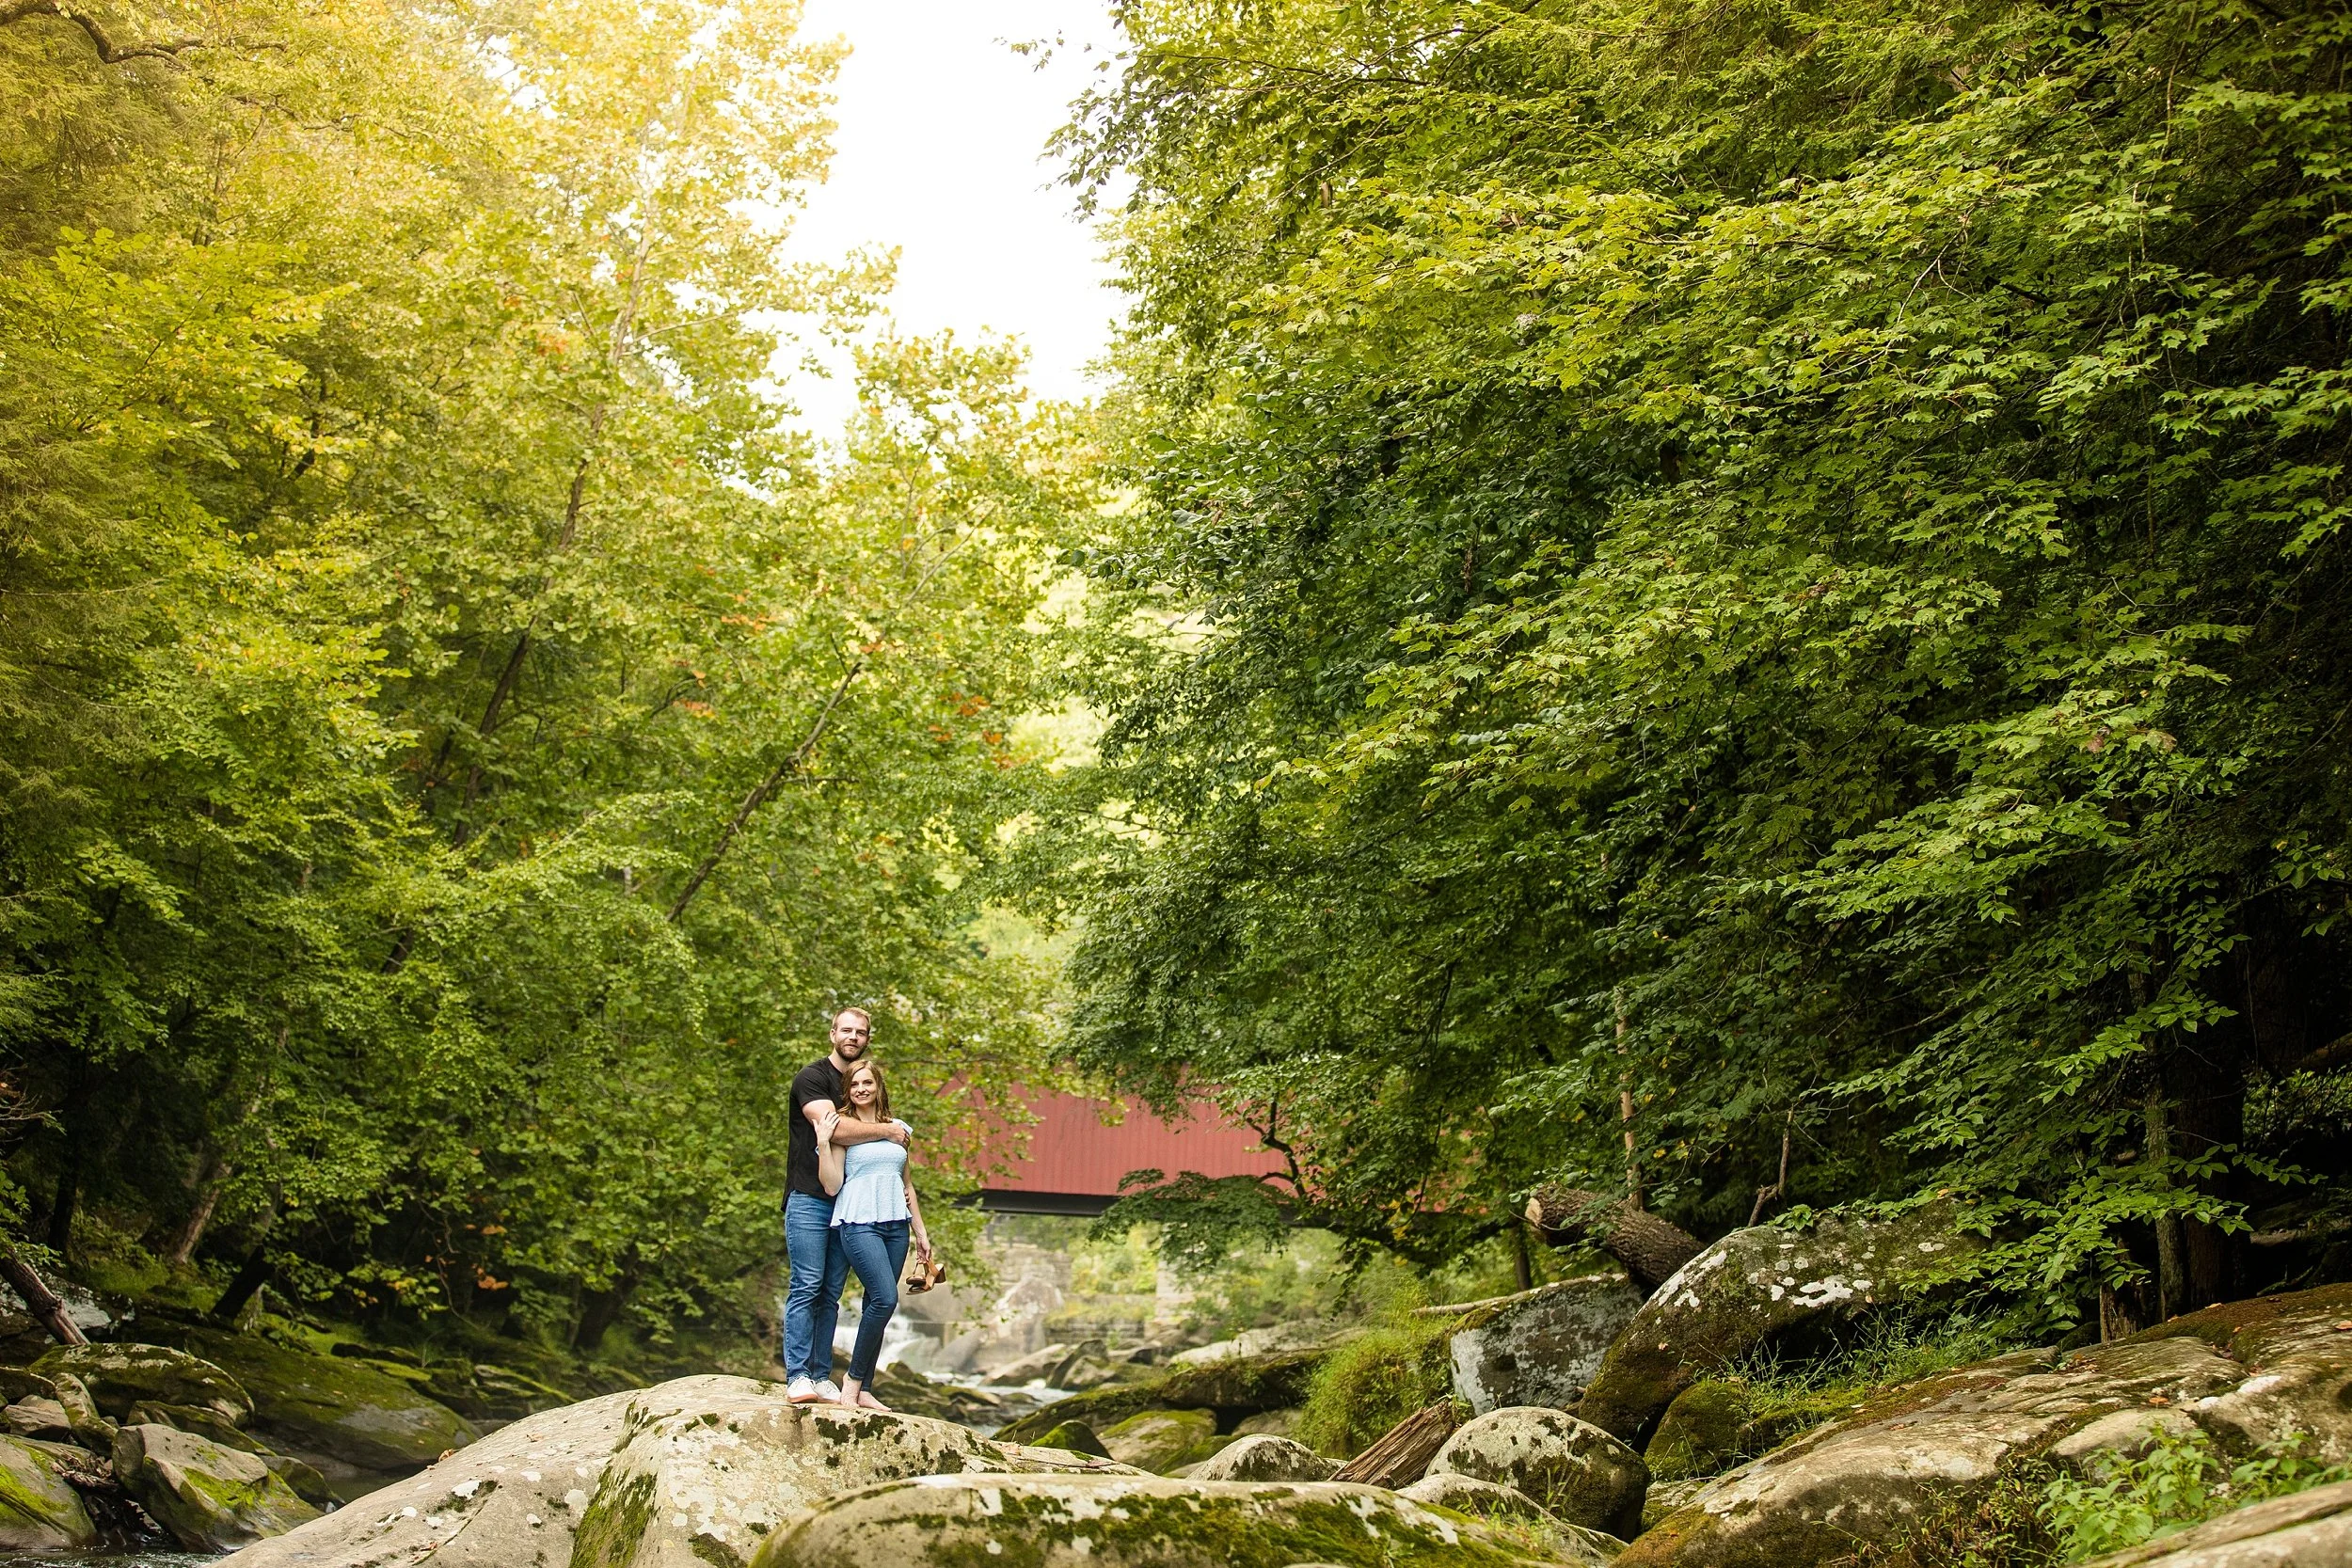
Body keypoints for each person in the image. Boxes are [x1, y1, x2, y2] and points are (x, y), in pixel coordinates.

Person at [782, 1006, 908, 1405]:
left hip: (850, 1206)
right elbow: (836, 1129)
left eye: (861, 1032)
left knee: (831, 1291)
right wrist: (888, 1130)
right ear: (832, 1033)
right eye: (847, 1030)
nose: (853, 1037)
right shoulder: (812, 1078)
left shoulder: (859, 1082)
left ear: (868, 1039)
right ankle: (798, 1376)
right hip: (810, 1198)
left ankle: (821, 1375)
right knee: (807, 1284)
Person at [816, 1058, 930, 1411]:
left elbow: (907, 1184)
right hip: (858, 1223)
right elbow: (831, 1185)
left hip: (896, 1226)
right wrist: (823, 1143)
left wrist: (921, 1232)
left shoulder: (899, 1129)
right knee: (885, 1298)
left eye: (867, 1082)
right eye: (854, 1084)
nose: (861, 1089)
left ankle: (865, 1388)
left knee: (874, 1305)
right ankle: (851, 1381)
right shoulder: (843, 1128)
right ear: (847, 1090)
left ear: (878, 1086)